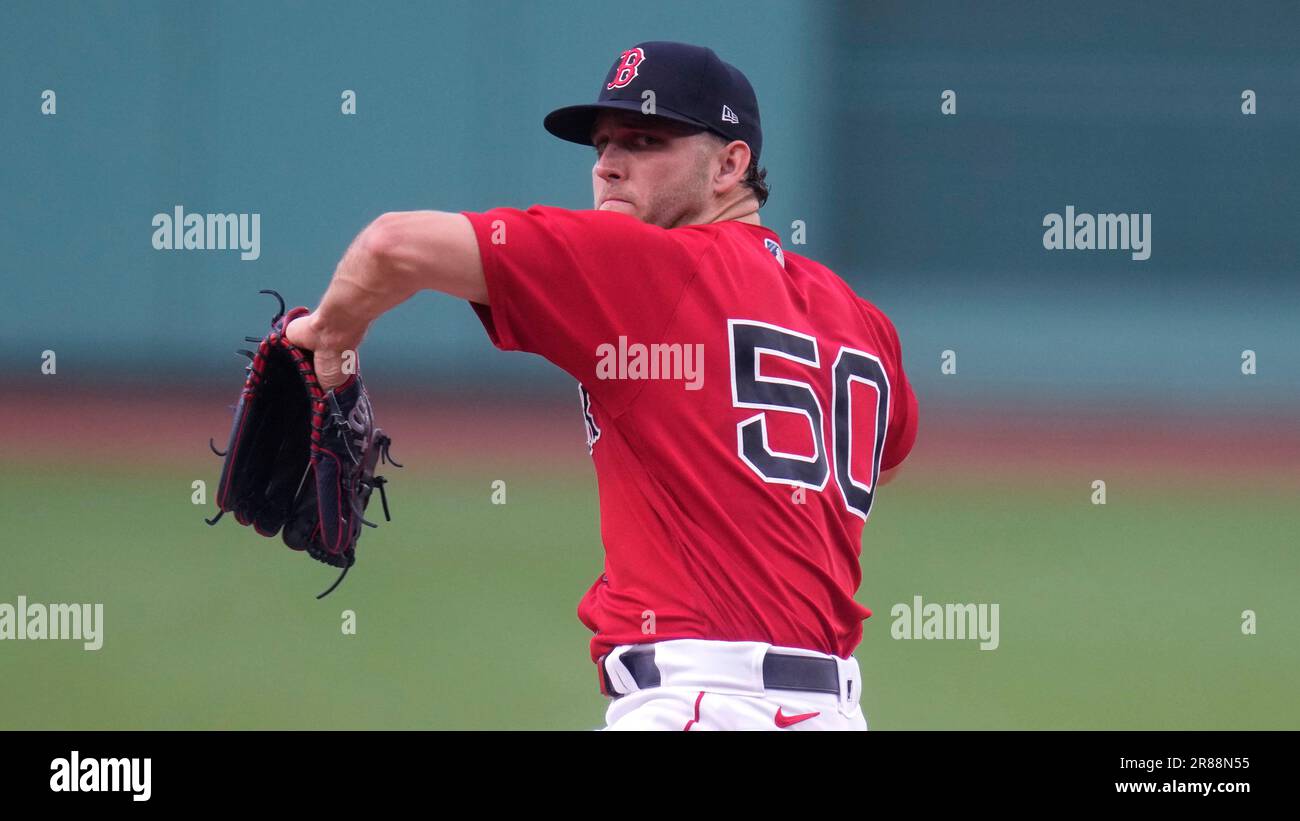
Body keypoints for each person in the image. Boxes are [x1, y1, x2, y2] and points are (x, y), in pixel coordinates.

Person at [285, 41, 918, 730]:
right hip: (828, 710)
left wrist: (332, 339)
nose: (609, 164)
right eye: (601, 145)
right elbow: (879, 458)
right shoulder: (862, 320)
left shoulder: (644, 267)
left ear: (731, 164)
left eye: (645, 140)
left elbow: (389, 246)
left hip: (699, 705)